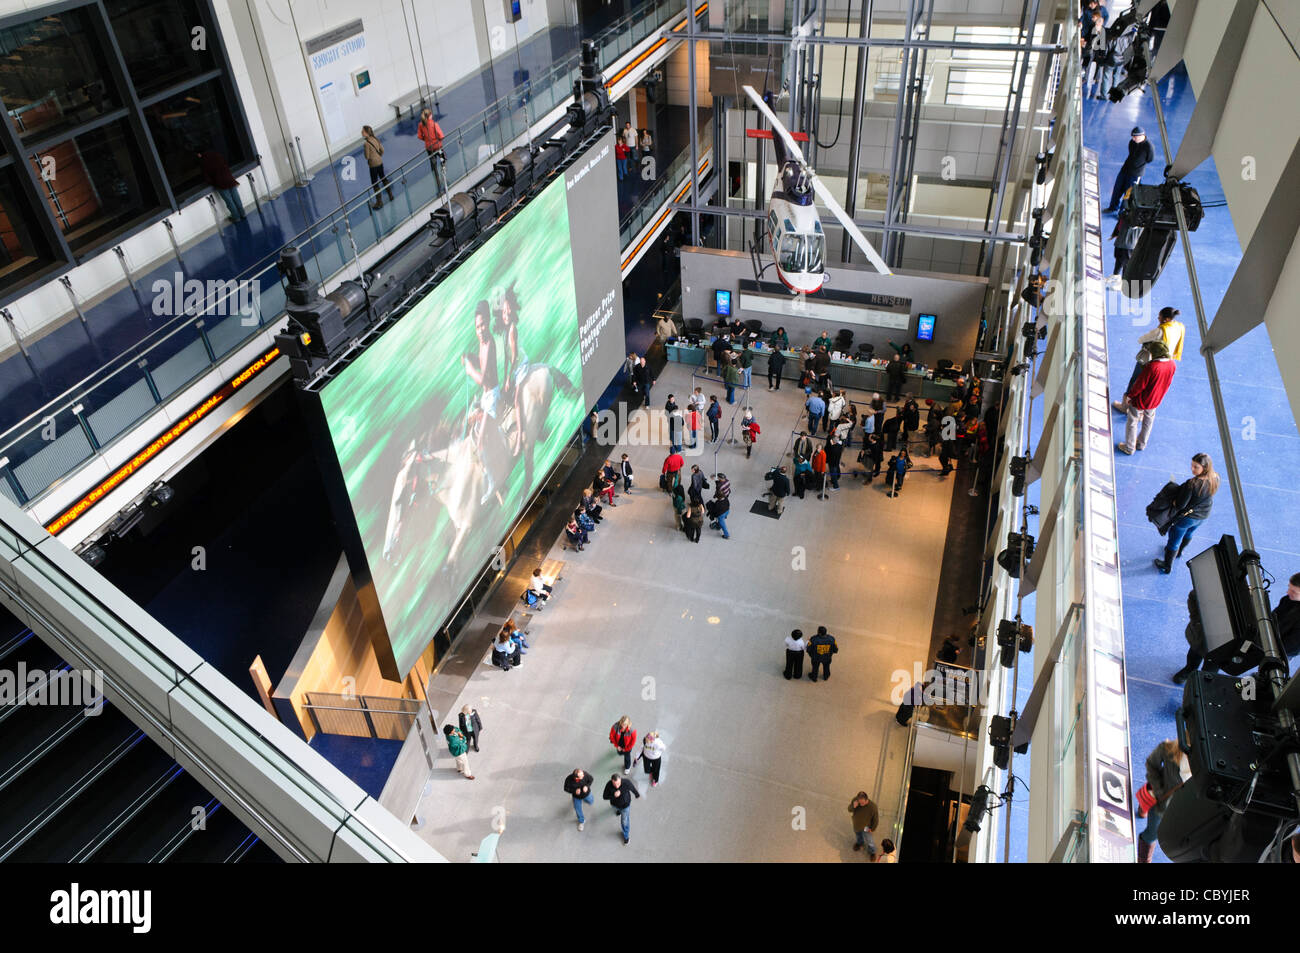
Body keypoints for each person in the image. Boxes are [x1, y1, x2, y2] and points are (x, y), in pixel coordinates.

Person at [1154, 453, 1219, 574]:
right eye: (1192, 465)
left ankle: (1167, 566)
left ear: (1204, 468)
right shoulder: (1215, 477)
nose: (1192, 469)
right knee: (1190, 533)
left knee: (1174, 540)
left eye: (1196, 467)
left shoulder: (1192, 484)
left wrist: (1173, 501)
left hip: (1187, 518)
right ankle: (1180, 552)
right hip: (1203, 515)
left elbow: (1180, 505)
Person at [1113, 308, 1186, 412]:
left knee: (1136, 380)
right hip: (1167, 363)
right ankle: (1143, 411)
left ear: (1166, 319)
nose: (1158, 318)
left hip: (1152, 361)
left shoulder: (1161, 330)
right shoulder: (1179, 327)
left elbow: (1141, 339)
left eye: (1160, 316)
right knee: (1152, 386)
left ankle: (1125, 406)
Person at [1115, 340, 1175, 454]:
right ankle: (1141, 444)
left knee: (1132, 420)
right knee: (1148, 421)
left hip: (1141, 400)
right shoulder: (1172, 364)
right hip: (1156, 399)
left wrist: (1130, 396)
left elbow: (1140, 384)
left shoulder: (1152, 366)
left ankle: (1129, 447)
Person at [1138, 739, 1188, 863]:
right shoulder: (1168, 749)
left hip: (1177, 809)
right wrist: (1159, 791)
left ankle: (1143, 806)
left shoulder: (1204, 769)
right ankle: (1143, 859)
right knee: (1152, 834)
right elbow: (1151, 764)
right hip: (1161, 804)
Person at [1105, 127, 1156, 213]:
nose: (1133, 139)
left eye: (1135, 137)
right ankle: (1113, 206)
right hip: (1125, 170)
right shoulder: (1132, 143)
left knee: (1128, 194)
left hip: (1135, 174)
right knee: (1117, 189)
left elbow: (1150, 159)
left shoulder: (1149, 147)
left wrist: (1138, 164)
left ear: (1142, 136)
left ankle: (1122, 212)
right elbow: (1131, 153)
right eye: (1133, 137)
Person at [196, 149, 244, 223]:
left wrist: (214, 183)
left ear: (199, 154)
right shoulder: (217, 154)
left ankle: (236, 217)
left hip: (221, 183)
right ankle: (243, 214)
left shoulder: (203, 161)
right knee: (236, 197)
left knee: (229, 201)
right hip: (229, 179)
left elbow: (207, 177)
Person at [361, 125, 394, 209]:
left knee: (375, 183)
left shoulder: (366, 144)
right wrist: (379, 156)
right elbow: (382, 150)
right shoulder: (375, 139)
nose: (361, 133)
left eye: (363, 131)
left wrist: (366, 152)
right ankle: (390, 195)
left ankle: (379, 202)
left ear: (366, 133)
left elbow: (367, 157)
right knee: (383, 178)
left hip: (373, 165)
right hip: (380, 162)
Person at [602, 773, 641, 845]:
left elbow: (632, 788)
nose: (617, 786)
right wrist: (613, 795)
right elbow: (604, 796)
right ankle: (619, 811)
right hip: (615, 804)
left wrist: (637, 794)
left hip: (625, 806)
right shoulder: (609, 785)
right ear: (611, 781)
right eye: (614, 784)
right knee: (617, 809)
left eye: (618, 783)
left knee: (624, 821)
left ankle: (626, 836)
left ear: (621, 780)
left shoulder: (626, 782)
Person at [417, 108, 447, 192]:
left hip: (429, 148)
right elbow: (441, 135)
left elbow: (419, 136)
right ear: (430, 115)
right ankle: (443, 176)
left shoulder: (421, 124)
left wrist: (426, 140)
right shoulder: (434, 124)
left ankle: (437, 182)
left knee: (434, 166)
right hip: (437, 146)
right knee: (443, 161)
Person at [848, 792, 879, 857]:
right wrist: (853, 806)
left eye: (862, 803)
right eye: (859, 802)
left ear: (866, 799)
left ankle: (872, 852)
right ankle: (860, 843)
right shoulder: (855, 801)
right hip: (856, 824)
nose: (860, 804)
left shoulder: (873, 807)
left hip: (866, 827)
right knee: (858, 835)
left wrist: (872, 828)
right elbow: (849, 809)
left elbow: (875, 820)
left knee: (869, 840)